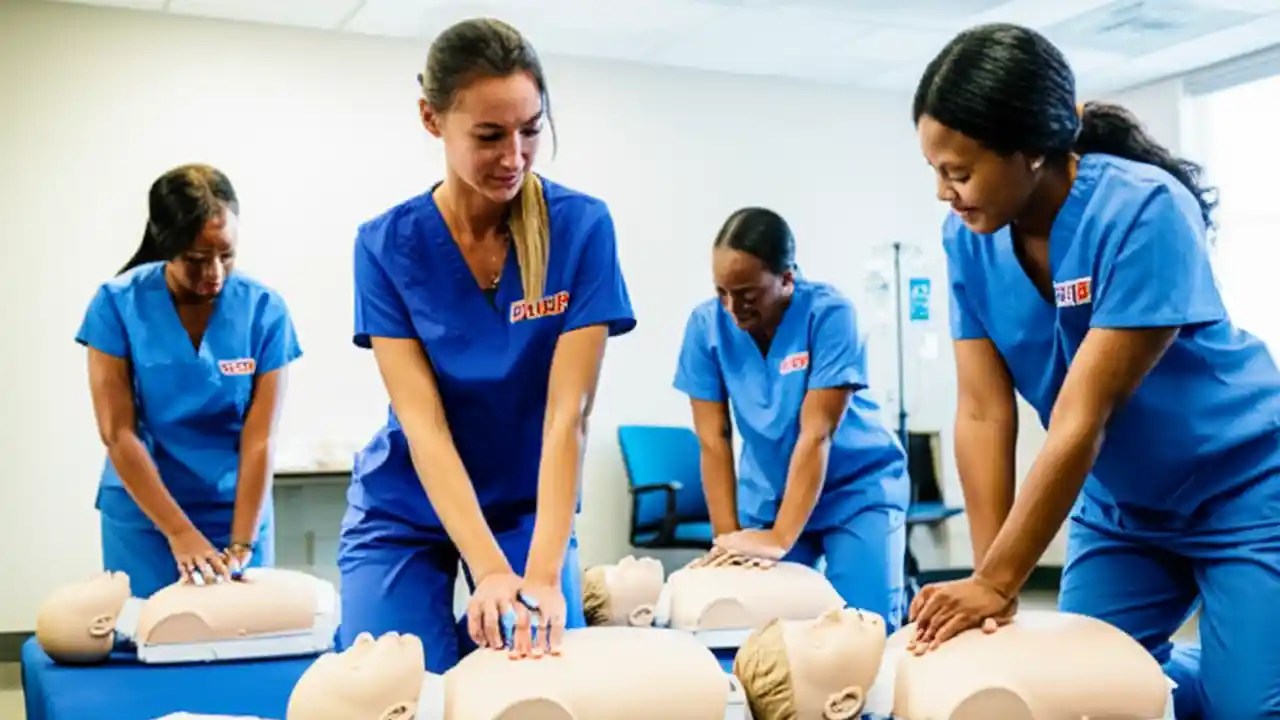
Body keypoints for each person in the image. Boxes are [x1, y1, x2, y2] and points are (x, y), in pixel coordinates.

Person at [907, 22, 1280, 719]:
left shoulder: (1144, 209)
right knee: (1079, 696)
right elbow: (985, 413)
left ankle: (1239, 673)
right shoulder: (968, 241)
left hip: (1245, 490)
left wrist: (996, 577)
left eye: (958, 172)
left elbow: (1085, 414)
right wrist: (996, 587)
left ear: (1032, 152)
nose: (943, 193)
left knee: (1251, 711)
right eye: (935, 169)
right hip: (1124, 510)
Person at [338, 17, 636, 672]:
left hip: (528, 504)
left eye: (531, 130)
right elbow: (425, 426)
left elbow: (568, 419)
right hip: (407, 505)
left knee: (540, 680)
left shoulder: (581, 229)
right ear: (430, 119)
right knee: (390, 685)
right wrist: (487, 569)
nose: (514, 157)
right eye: (489, 135)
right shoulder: (386, 245)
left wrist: (541, 575)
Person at [673, 207, 910, 631]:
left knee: (863, 627)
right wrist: (727, 541)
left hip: (854, 489)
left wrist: (780, 539)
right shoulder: (705, 325)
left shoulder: (830, 314)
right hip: (769, 496)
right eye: (721, 292)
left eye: (747, 294)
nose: (732, 308)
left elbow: (817, 433)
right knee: (756, 625)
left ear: (787, 278)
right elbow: (714, 439)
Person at [76, 163, 302, 598]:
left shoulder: (265, 310)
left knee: (245, 638)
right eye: (196, 259)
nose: (214, 273)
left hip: (237, 510)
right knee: (148, 640)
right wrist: (180, 533)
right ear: (166, 245)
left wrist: (241, 542)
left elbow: (259, 438)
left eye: (227, 255)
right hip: (145, 514)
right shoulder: (116, 305)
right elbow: (117, 432)